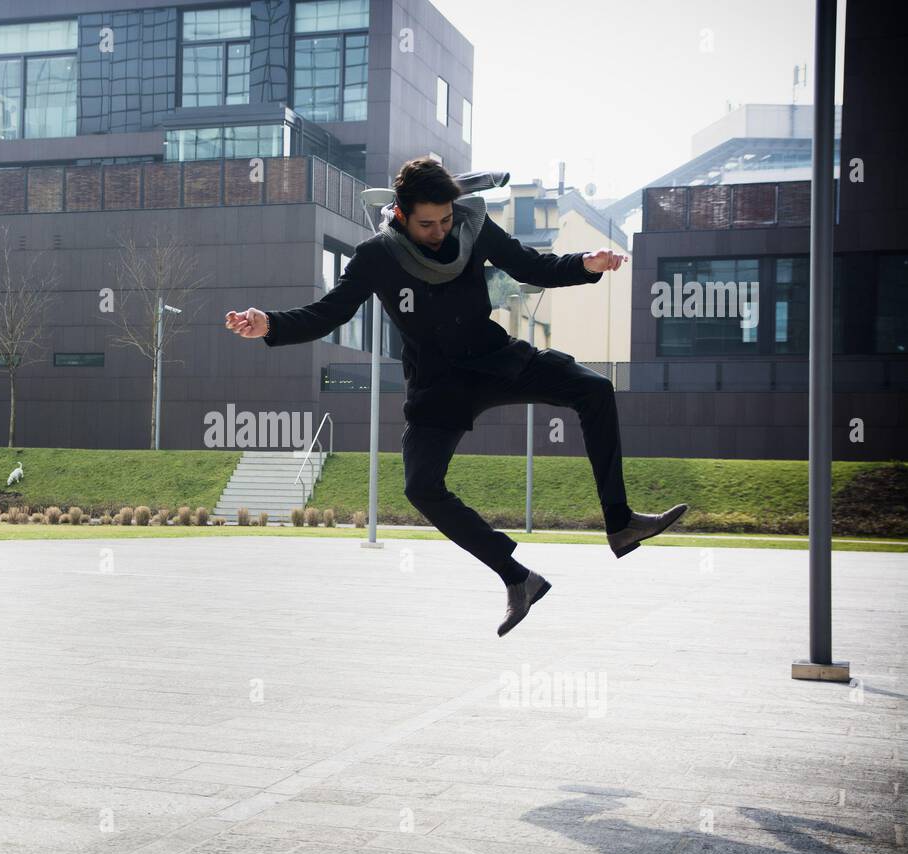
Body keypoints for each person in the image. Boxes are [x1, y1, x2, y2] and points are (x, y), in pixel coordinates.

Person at [225, 156, 687, 636]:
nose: (440, 231)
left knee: (594, 389)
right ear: (401, 215)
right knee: (420, 486)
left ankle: (621, 522)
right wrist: (271, 324)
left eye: (445, 219)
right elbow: (329, 313)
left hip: (494, 359)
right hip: (438, 383)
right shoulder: (377, 256)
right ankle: (518, 579)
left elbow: (530, 264)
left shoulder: (471, 227)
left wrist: (584, 265)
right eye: (427, 224)